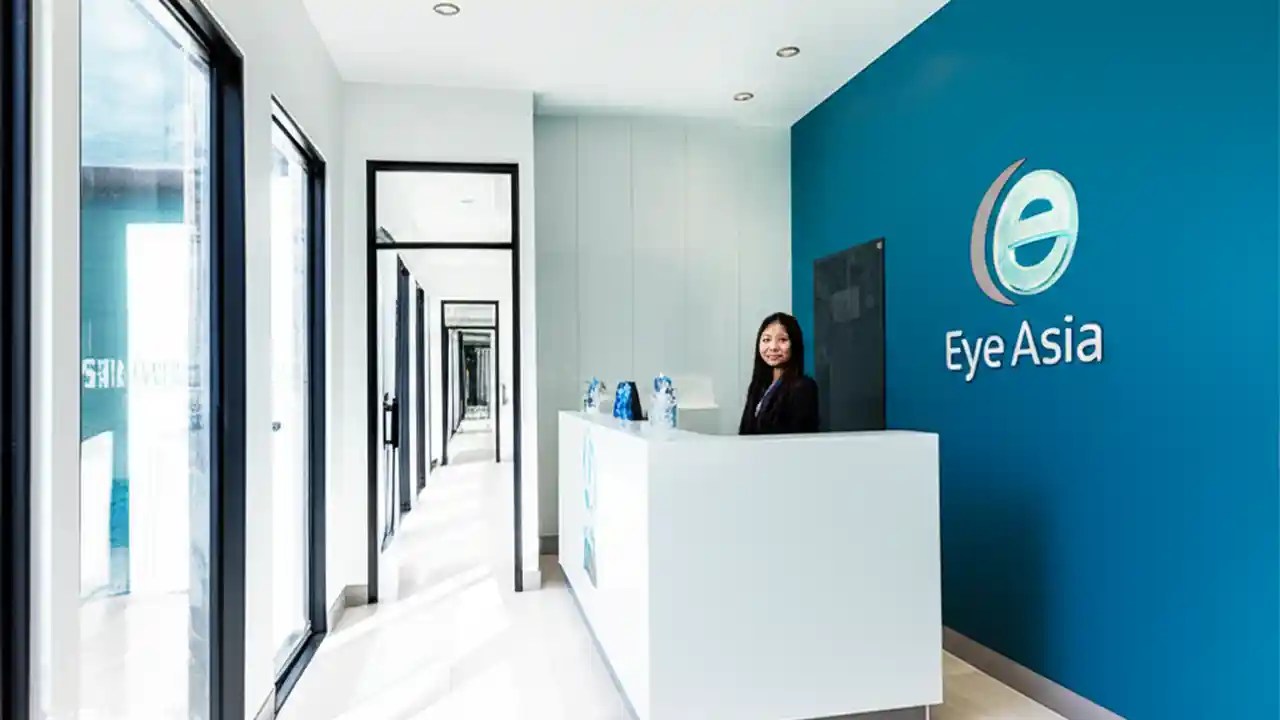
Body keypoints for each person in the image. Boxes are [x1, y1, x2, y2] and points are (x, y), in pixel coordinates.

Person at [738, 312, 820, 435]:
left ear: (794, 344)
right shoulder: (758, 386)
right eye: (766, 339)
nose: (773, 347)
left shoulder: (802, 388)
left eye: (782, 340)